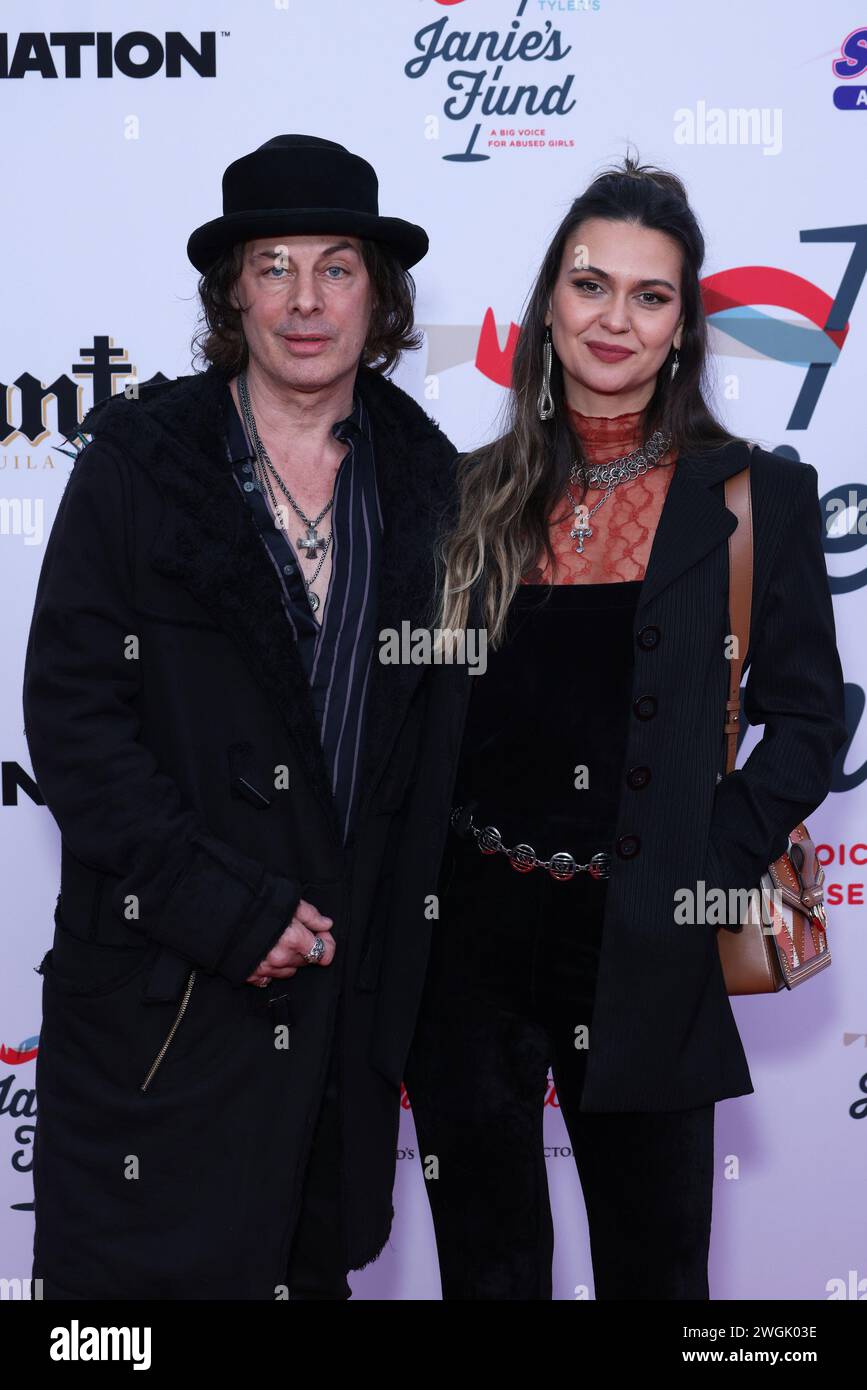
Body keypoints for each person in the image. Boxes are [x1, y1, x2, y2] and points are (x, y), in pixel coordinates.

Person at [402, 155, 849, 1300]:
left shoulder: (755, 498)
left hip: (649, 944)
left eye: (651, 296)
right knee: (487, 1275)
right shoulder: (463, 496)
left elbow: (810, 715)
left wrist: (711, 858)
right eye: (592, 284)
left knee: (659, 1280)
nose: (616, 318)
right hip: (471, 943)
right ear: (549, 301)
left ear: (683, 329)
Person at [22, 133, 459, 1300]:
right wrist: (223, 909)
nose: (306, 301)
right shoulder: (138, 461)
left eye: (336, 266)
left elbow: (443, 765)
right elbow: (71, 717)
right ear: (233, 293)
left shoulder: (434, 483)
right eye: (274, 266)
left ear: (381, 292)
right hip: (163, 1009)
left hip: (334, 1025)